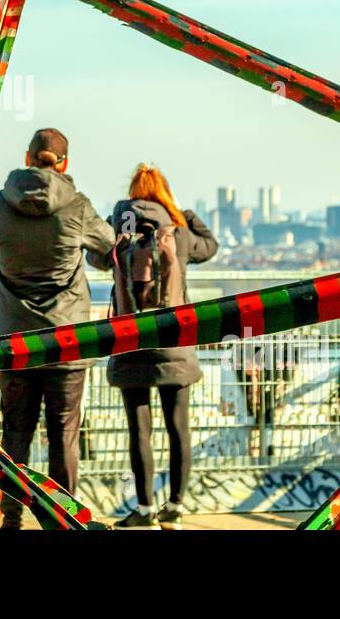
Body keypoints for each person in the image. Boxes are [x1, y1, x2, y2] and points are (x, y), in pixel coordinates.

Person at [0, 127, 116, 530]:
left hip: (15, 341)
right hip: (67, 342)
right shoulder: (78, 207)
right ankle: (61, 520)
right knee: (63, 435)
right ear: (65, 163)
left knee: (15, 434)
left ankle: (11, 517)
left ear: (27, 157)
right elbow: (109, 250)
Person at [90, 164, 217, 529]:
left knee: (139, 430)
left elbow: (95, 256)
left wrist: (115, 221)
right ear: (164, 193)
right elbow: (210, 246)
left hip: (131, 339)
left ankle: (144, 511)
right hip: (173, 340)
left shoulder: (123, 226)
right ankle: (174, 508)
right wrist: (183, 211)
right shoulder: (176, 232)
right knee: (178, 429)